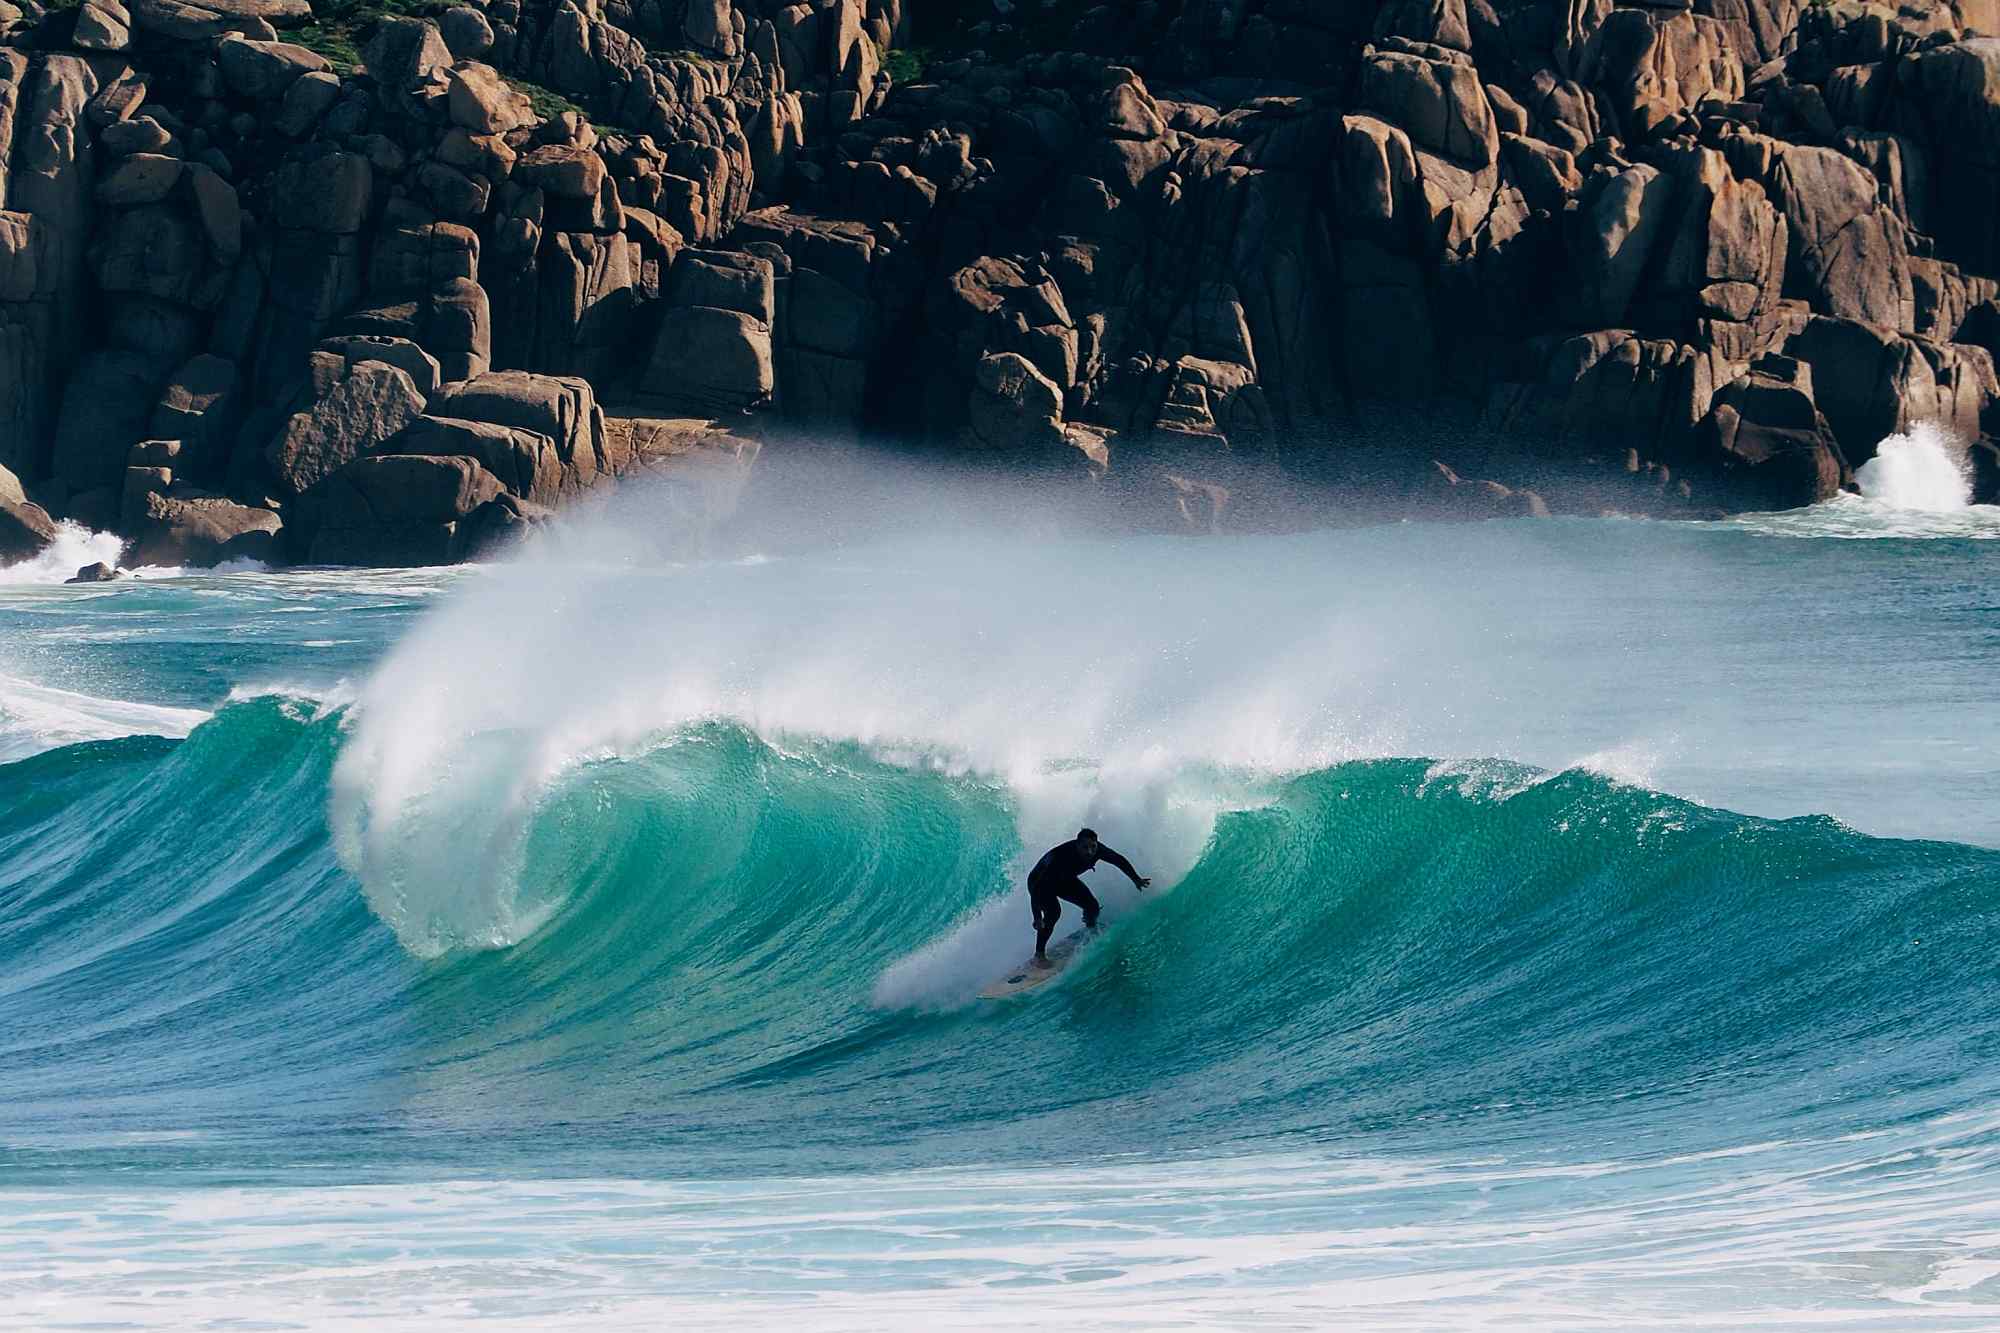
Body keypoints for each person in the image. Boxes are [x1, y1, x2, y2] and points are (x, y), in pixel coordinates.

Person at [1027, 828, 1150, 966]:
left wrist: (1136, 879)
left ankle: (1090, 928)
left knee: (1092, 906)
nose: (1089, 851)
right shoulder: (1060, 856)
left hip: (1065, 880)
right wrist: (1037, 916)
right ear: (1077, 845)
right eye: (1085, 847)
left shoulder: (1099, 851)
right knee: (1054, 912)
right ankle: (1039, 955)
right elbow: (1037, 887)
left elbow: (1119, 860)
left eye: (1093, 847)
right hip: (1040, 882)